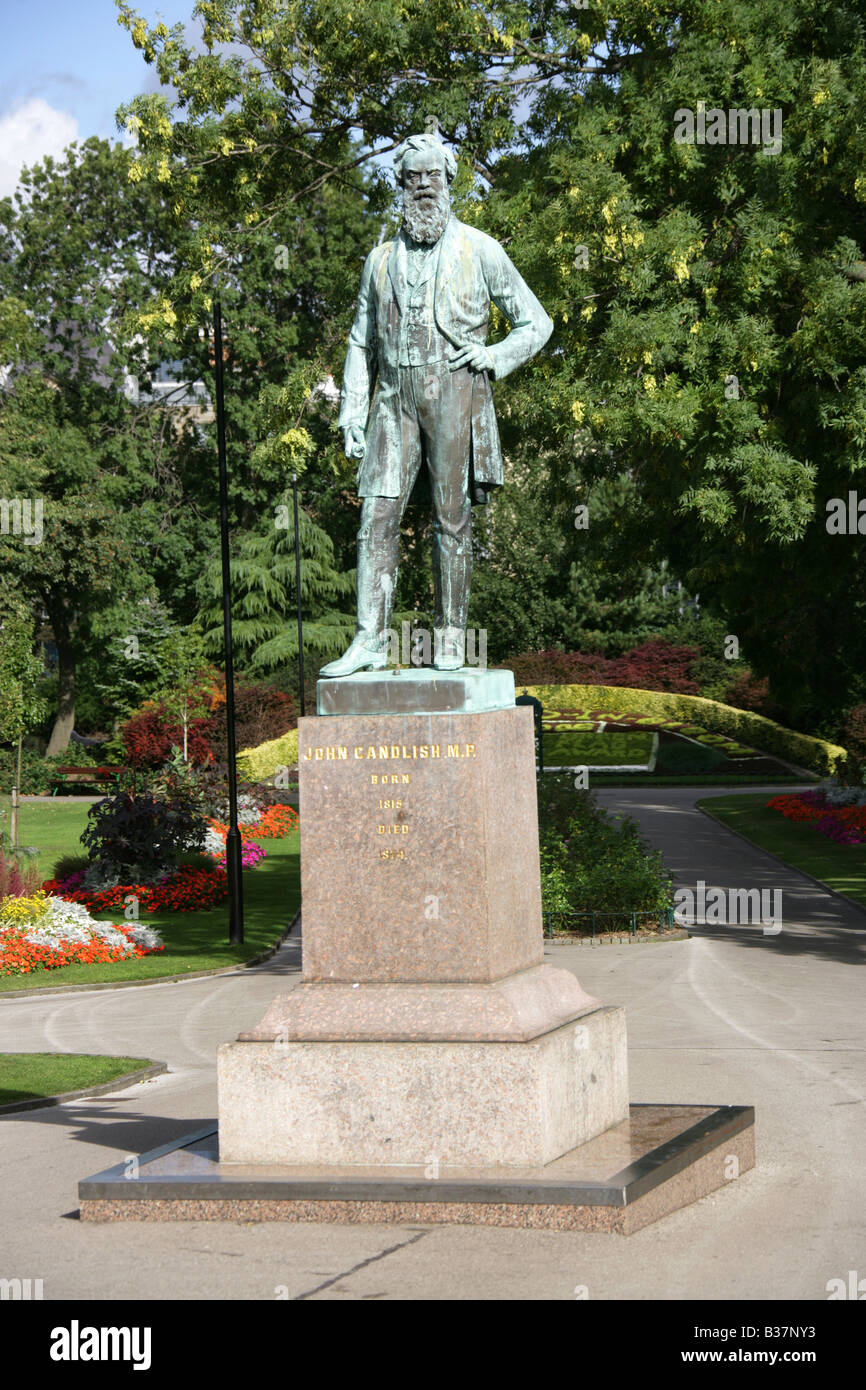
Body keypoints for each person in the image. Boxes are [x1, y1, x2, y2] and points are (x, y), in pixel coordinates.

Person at [320, 125, 553, 677]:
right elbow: (359, 340)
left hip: (454, 390)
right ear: (399, 185)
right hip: (392, 399)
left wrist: (494, 356)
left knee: (452, 518)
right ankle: (369, 640)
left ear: (448, 182)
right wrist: (352, 409)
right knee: (376, 516)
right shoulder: (378, 261)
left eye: (432, 177)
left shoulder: (481, 249)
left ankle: (451, 636)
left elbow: (536, 322)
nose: (423, 187)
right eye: (412, 178)